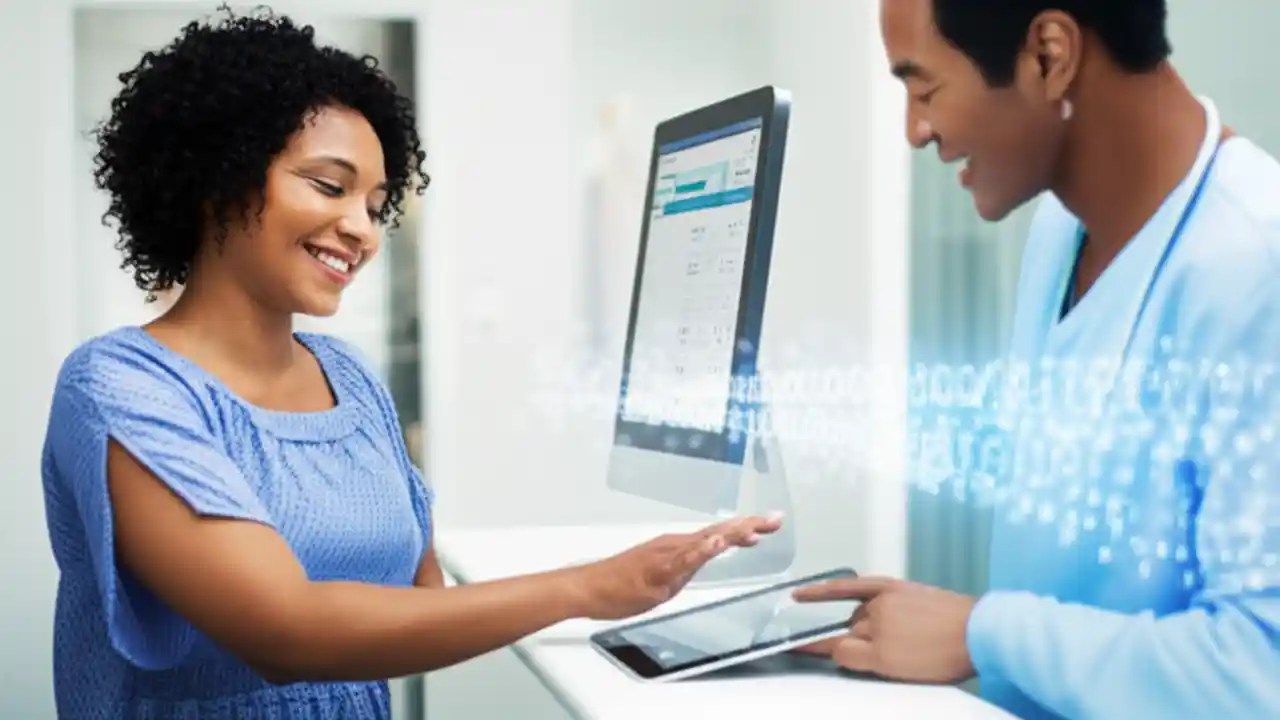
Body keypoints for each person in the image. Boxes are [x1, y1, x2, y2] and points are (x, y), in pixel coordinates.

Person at [40, 9, 782, 719]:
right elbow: (284, 633)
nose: (361, 229)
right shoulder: (120, 388)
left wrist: (630, 586)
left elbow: (420, 605)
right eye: (330, 187)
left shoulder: (351, 380)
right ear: (217, 180)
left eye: (376, 203)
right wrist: (595, 585)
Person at [794, 1, 1280, 718]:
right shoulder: (1060, 233)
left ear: (1050, 56)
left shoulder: (1255, 267)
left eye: (925, 90)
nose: (915, 131)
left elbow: (1257, 674)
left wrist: (980, 632)